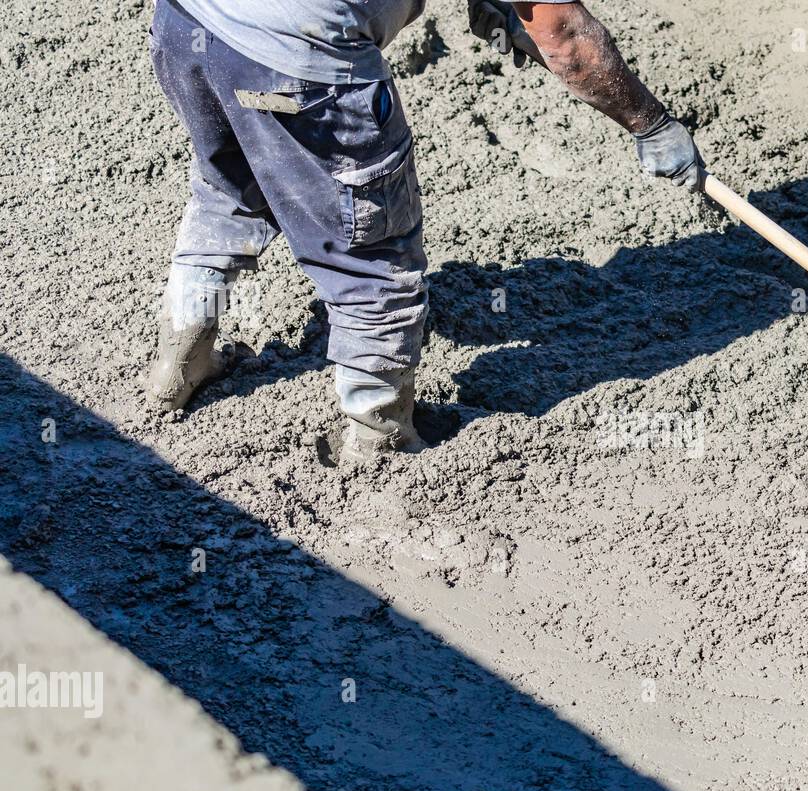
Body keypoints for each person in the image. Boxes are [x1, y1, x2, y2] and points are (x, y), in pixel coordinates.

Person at [146, 0, 704, 460]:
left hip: (188, 28)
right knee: (370, 249)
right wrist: (649, 123)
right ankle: (378, 434)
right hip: (296, 62)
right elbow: (562, 32)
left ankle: (182, 357)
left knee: (229, 189)